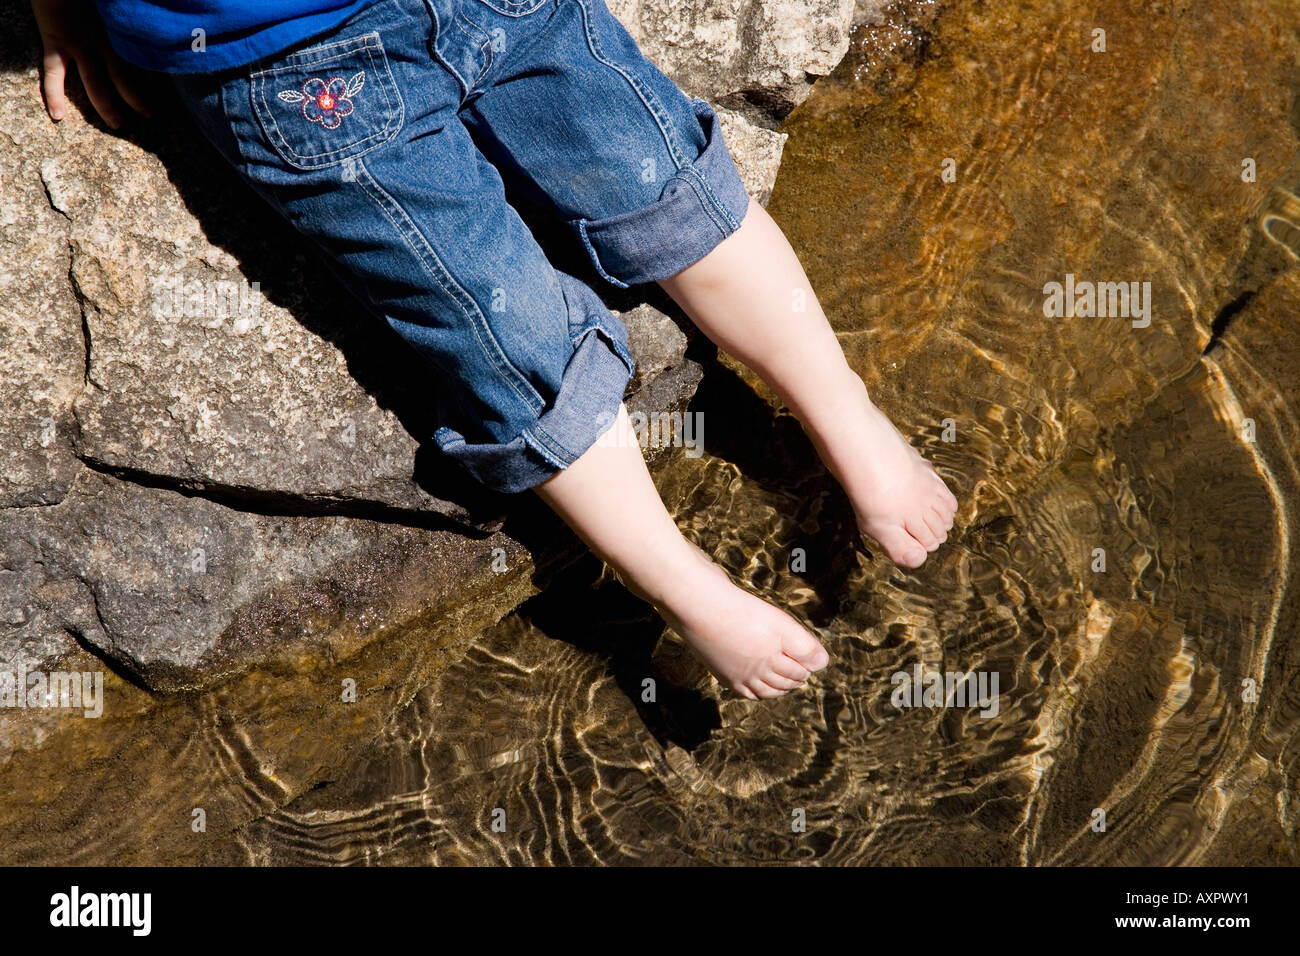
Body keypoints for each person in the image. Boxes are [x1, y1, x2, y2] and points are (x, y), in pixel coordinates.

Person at [30, 0, 957, 700]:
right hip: (297, 56)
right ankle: (689, 586)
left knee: (547, 285)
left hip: (290, 51)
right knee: (607, 228)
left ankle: (844, 417)